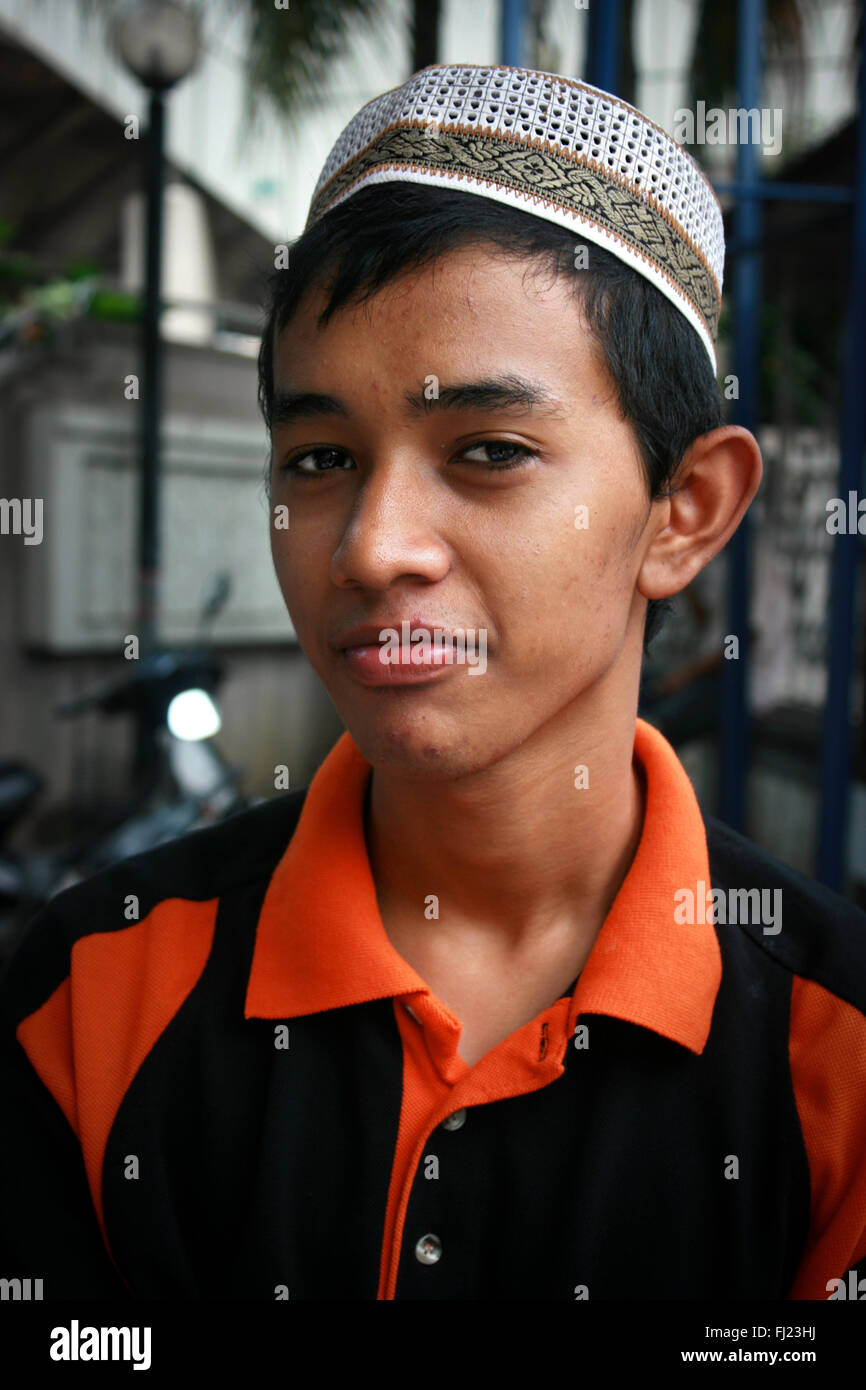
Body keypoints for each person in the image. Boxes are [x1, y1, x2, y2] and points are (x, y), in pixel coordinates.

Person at [2, 63, 865, 1302]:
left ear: (684, 510)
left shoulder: (829, 1049)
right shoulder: (95, 993)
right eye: (318, 456)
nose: (367, 544)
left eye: (489, 451)